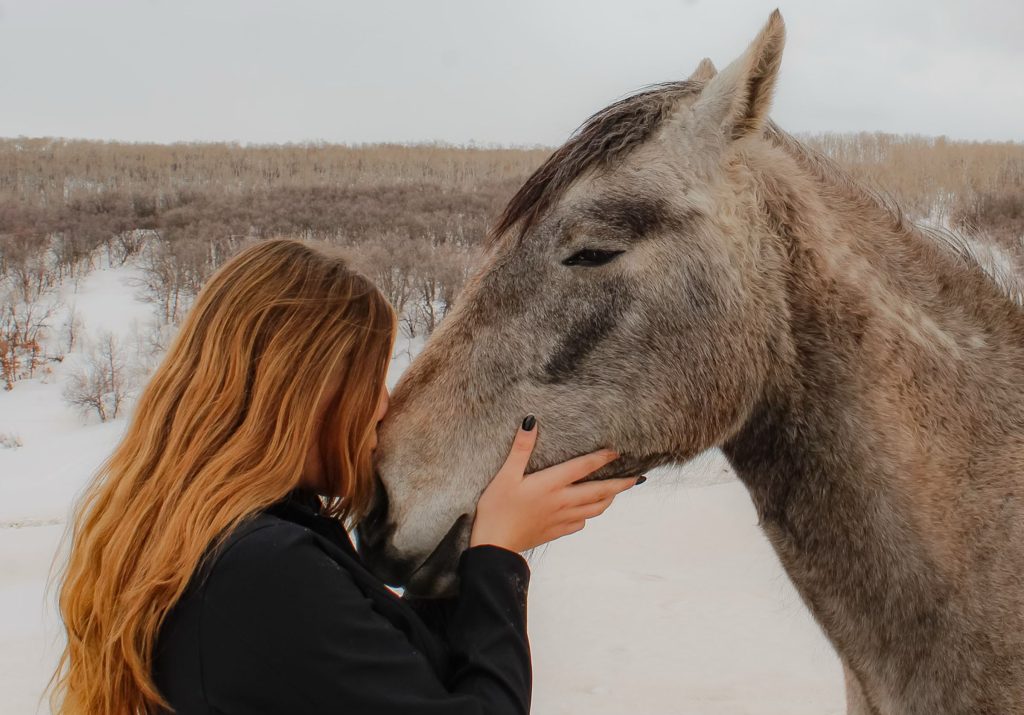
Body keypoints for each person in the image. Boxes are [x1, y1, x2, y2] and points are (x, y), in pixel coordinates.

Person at [51, 238, 642, 715]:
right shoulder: (263, 572)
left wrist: (469, 546)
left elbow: (406, 677)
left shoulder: (216, 540)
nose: (384, 406)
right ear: (301, 391)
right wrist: (498, 559)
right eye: (369, 380)